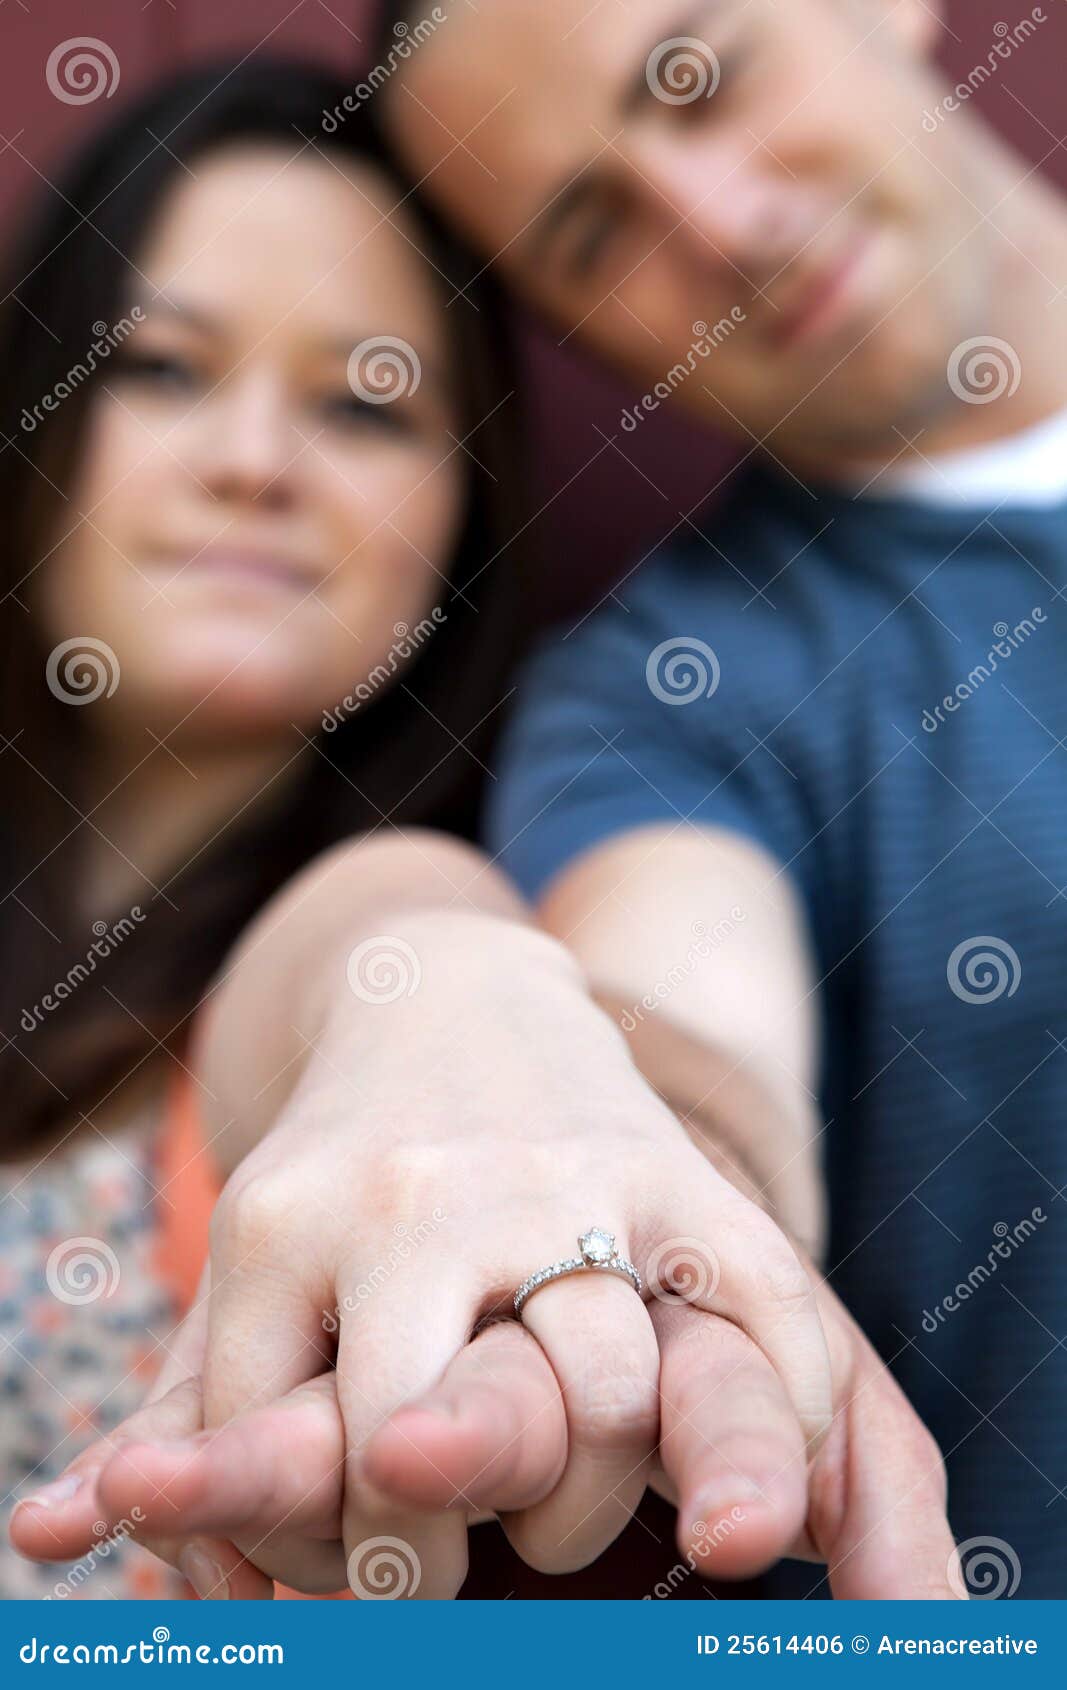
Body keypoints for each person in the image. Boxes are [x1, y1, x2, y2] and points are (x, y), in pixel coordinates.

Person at [7, 50, 961, 1603]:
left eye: (363, 404)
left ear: (459, 512)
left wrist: (452, 985)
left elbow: (396, 950)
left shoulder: (387, 941)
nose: (253, 463)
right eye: (163, 368)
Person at [359, 0, 1067, 1599]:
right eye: (593, 230)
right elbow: (687, 1047)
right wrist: (627, 1183)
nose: (725, 225)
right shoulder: (666, 698)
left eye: (706, 77)